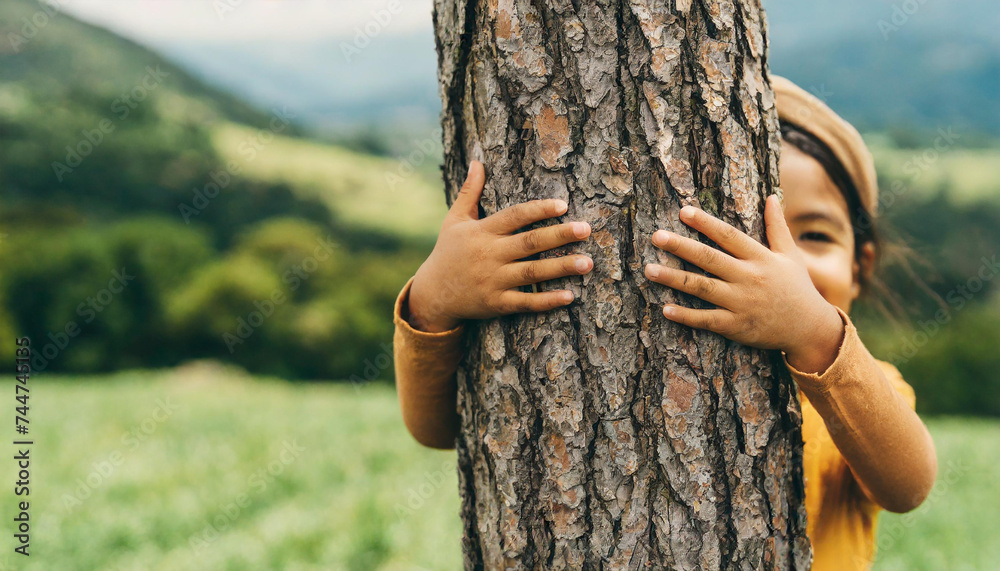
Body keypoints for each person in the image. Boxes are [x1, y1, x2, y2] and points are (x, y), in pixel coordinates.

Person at [391, 75, 937, 570]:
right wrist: (434, 303)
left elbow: (908, 484)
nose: (778, 265)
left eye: (813, 235)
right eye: (746, 236)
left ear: (861, 264)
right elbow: (437, 429)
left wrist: (814, 330)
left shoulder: (864, 384)